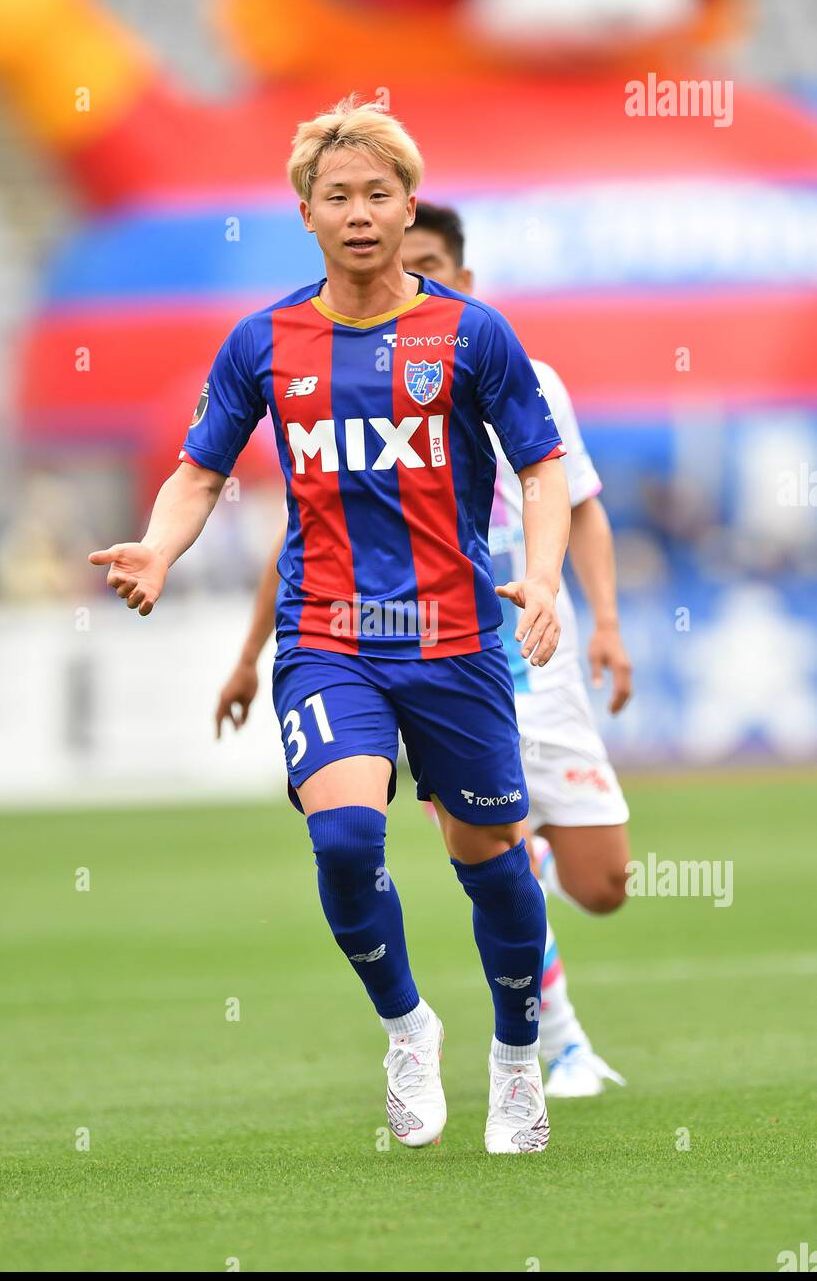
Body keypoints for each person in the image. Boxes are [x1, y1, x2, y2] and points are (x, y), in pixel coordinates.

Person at [90, 97, 570, 1154]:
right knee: (347, 834)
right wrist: (158, 549)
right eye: (337, 195)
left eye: (378, 194)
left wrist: (537, 577)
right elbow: (200, 470)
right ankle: (406, 1029)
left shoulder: (471, 333)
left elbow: (541, 466)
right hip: (327, 637)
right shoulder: (263, 341)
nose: (359, 212)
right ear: (304, 209)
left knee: (491, 858)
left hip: (453, 637)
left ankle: (514, 1058)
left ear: (408, 208)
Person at [218, 200, 633, 1098]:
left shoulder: (505, 360)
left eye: (431, 259)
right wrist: (254, 652)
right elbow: (299, 530)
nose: (409, 270)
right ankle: (533, 1045)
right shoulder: (324, 364)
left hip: (523, 635)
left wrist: (600, 617)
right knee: (416, 838)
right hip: (386, 643)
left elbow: (581, 499)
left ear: (463, 273)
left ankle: (528, 936)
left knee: (601, 885)